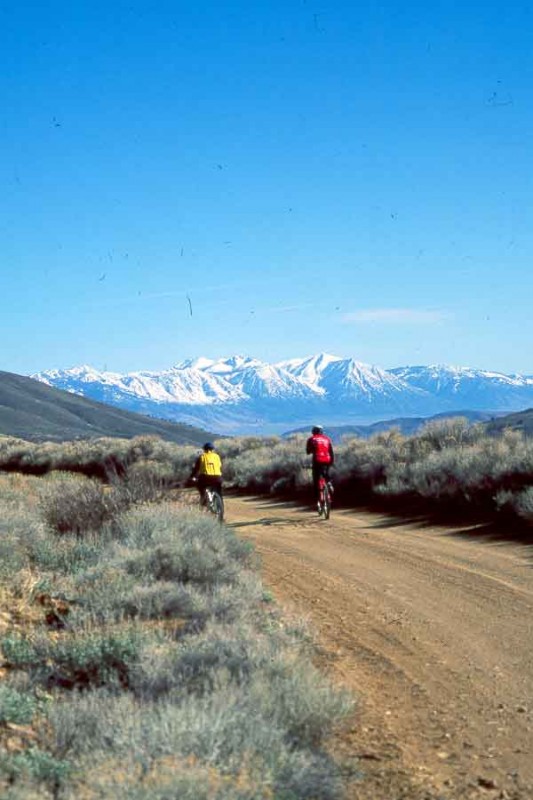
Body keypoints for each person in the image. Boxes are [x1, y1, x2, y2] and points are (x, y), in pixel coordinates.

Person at [306, 425, 334, 503]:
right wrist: (331, 462)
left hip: (317, 460)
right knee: (326, 474)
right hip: (328, 460)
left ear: (313, 431)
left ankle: (318, 498)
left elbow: (308, 452)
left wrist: (313, 450)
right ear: (321, 431)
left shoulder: (311, 439)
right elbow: (331, 452)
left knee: (316, 478)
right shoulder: (327, 439)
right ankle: (329, 483)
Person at [190, 442, 223, 508]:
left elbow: (196, 468)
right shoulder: (217, 456)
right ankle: (221, 513)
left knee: (200, 487)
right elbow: (220, 466)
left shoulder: (201, 457)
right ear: (212, 449)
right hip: (217, 477)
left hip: (205, 477)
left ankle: (204, 502)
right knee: (219, 493)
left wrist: (192, 476)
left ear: (204, 450)